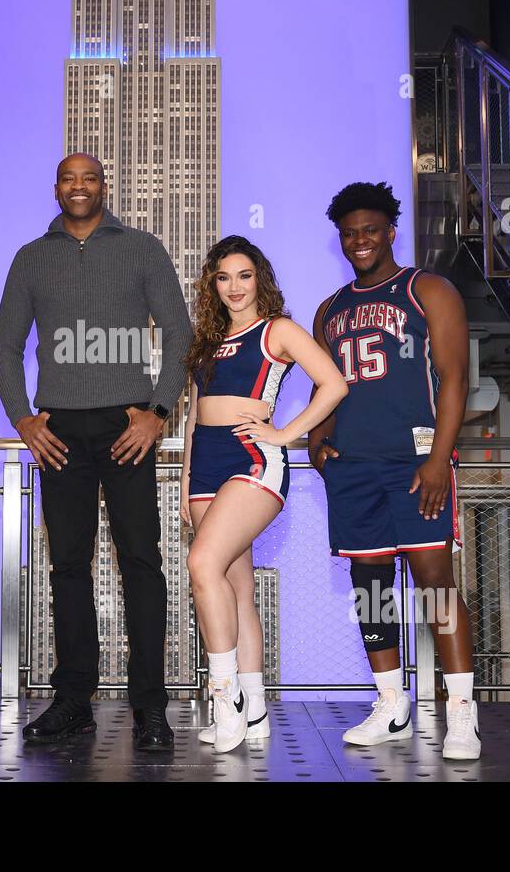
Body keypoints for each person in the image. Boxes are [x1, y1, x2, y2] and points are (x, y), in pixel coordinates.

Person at [0, 153, 193, 750]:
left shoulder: (141, 248)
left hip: (126, 426)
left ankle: (150, 709)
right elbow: (5, 347)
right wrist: (24, 421)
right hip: (58, 435)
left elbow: (179, 333)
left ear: (105, 187)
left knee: (142, 564)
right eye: (68, 178)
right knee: (69, 568)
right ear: (56, 188)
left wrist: (158, 413)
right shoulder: (31, 257)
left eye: (90, 178)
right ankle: (73, 701)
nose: (78, 187)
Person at [308, 182, 480, 761]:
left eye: (370, 230)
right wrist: (317, 436)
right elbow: (324, 388)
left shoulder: (428, 289)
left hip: (415, 464)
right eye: (349, 233)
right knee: (371, 589)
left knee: (434, 583)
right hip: (353, 467)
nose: (360, 240)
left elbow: (455, 377)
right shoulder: (329, 309)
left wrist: (439, 459)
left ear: (390, 231)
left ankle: (460, 714)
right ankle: (391, 704)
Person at [182, 236, 348, 753]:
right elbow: (193, 416)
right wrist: (188, 482)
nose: (234, 287)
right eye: (224, 277)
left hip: (253, 461)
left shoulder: (277, 329)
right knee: (236, 589)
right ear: (213, 283)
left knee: (201, 565)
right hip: (206, 466)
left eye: (244, 275)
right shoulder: (205, 341)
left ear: (261, 279)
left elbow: (334, 383)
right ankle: (254, 712)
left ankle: (224, 696)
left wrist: (283, 433)